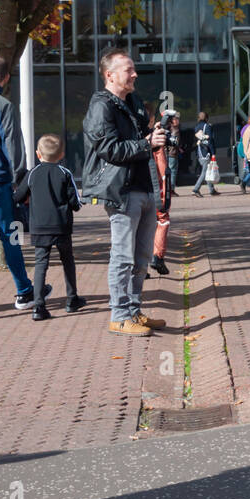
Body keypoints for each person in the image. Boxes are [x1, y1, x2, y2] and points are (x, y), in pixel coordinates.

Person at [82, 48, 166, 337]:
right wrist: (146, 143)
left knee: (142, 256)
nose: (134, 74)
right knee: (123, 255)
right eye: (128, 70)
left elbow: (141, 139)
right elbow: (108, 149)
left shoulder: (133, 102)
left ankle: (133, 310)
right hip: (121, 190)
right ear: (110, 75)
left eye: (133, 69)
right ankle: (119, 315)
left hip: (143, 186)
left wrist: (158, 136)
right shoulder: (101, 105)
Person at [12, 134, 85, 319]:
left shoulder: (33, 173)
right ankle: (72, 299)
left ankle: (38, 306)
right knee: (67, 260)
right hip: (61, 226)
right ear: (61, 155)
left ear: (38, 154)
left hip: (39, 227)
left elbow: (18, 196)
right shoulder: (65, 173)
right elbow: (75, 202)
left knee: (40, 264)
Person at [0, 54, 36, 308]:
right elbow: (13, 147)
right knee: (10, 238)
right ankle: (23, 290)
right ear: (6, 77)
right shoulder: (3, 105)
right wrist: (21, 183)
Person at [147, 106, 172, 276]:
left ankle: (138, 265)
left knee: (137, 225)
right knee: (162, 219)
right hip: (154, 188)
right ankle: (158, 257)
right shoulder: (154, 140)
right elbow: (161, 170)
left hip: (135, 189)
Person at [191, 110, 218, 197]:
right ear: (206, 118)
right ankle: (196, 189)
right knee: (205, 172)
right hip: (206, 152)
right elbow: (210, 141)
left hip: (200, 152)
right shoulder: (208, 126)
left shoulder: (196, 127)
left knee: (207, 170)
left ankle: (212, 190)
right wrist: (213, 152)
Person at [165, 115, 180, 194]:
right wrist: (178, 148)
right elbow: (175, 142)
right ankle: (171, 189)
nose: (177, 120)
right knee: (173, 172)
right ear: (172, 121)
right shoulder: (175, 130)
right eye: (175, 119)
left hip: (167, 153)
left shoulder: (168, 128)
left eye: (178, 119)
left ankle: (167, 189)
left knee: (168, 172)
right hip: (172, 154)